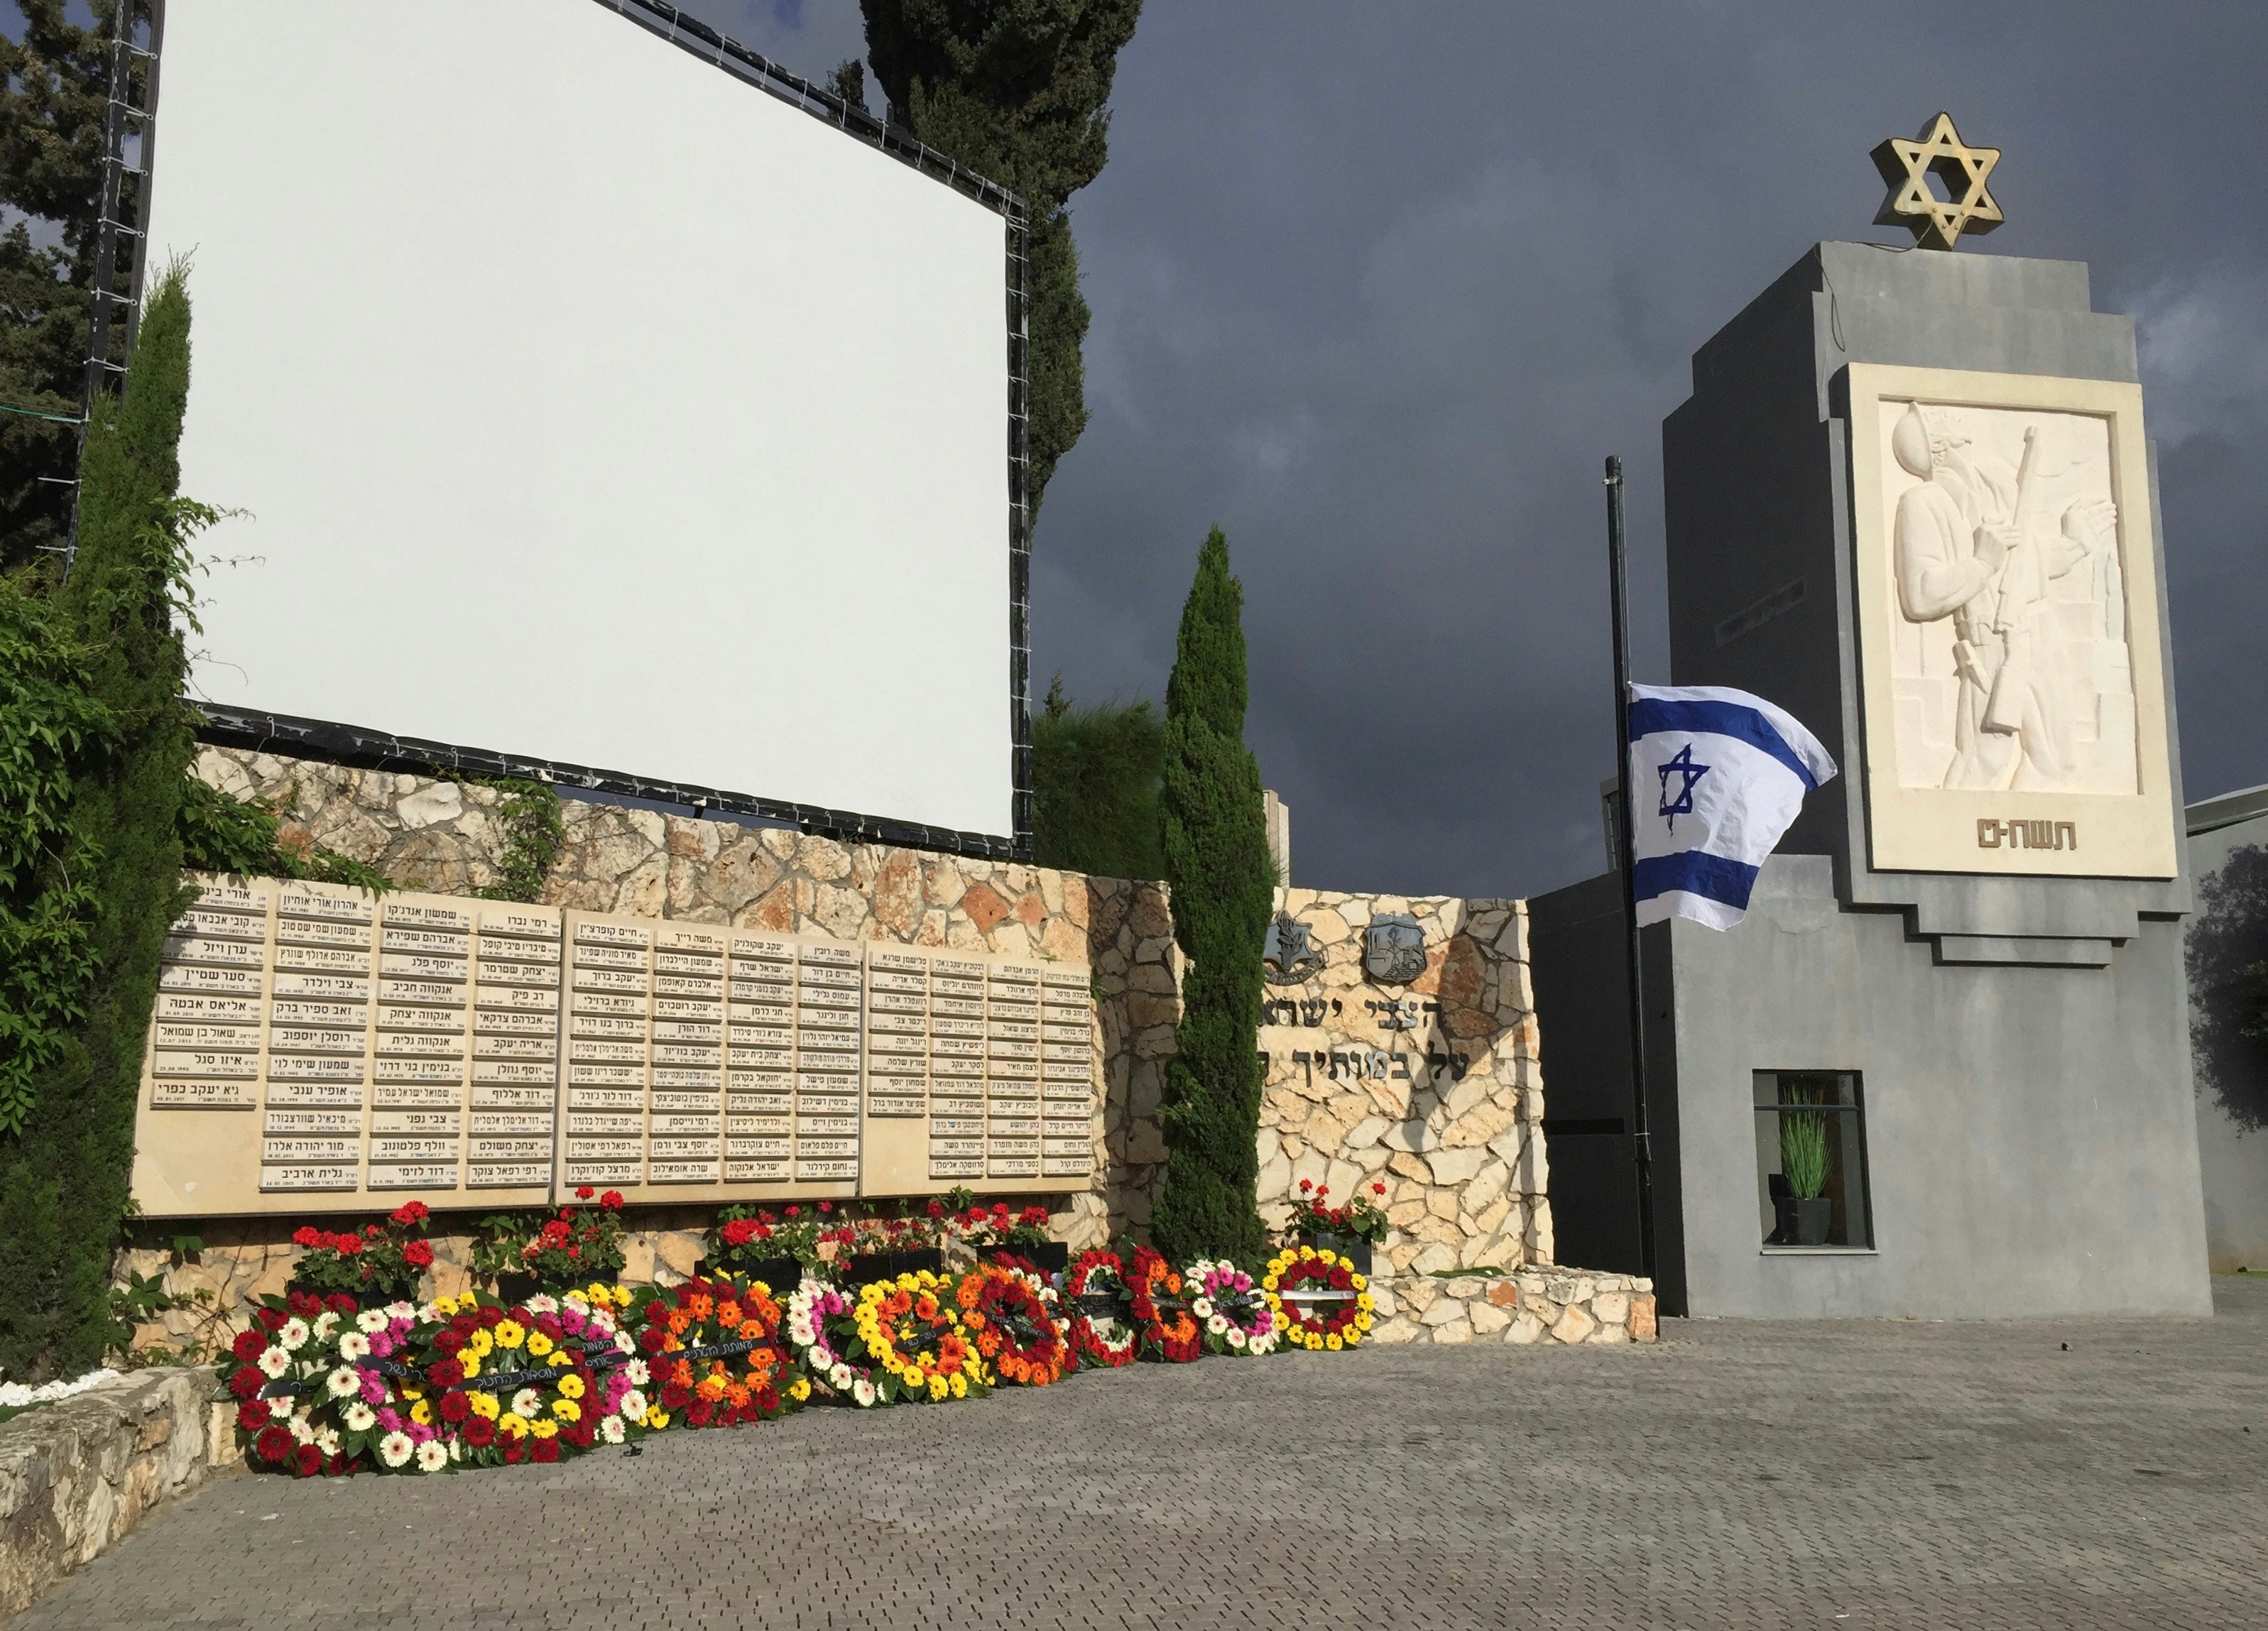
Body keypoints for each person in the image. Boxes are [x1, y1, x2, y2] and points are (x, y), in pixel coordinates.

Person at [1890, 403, 2113, 790]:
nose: (1950, 414)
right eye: (1938, 418)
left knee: (2057, 763)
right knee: (1985, 762)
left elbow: (2030, 568)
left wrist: (2075, 543)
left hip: (2038, 634)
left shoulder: (1998, 487)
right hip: (1989, 644)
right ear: (1936, 443)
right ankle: (1954, 847)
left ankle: (2038, 851)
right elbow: (1921, 596)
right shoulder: (1923, 502)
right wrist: (1981, 562)